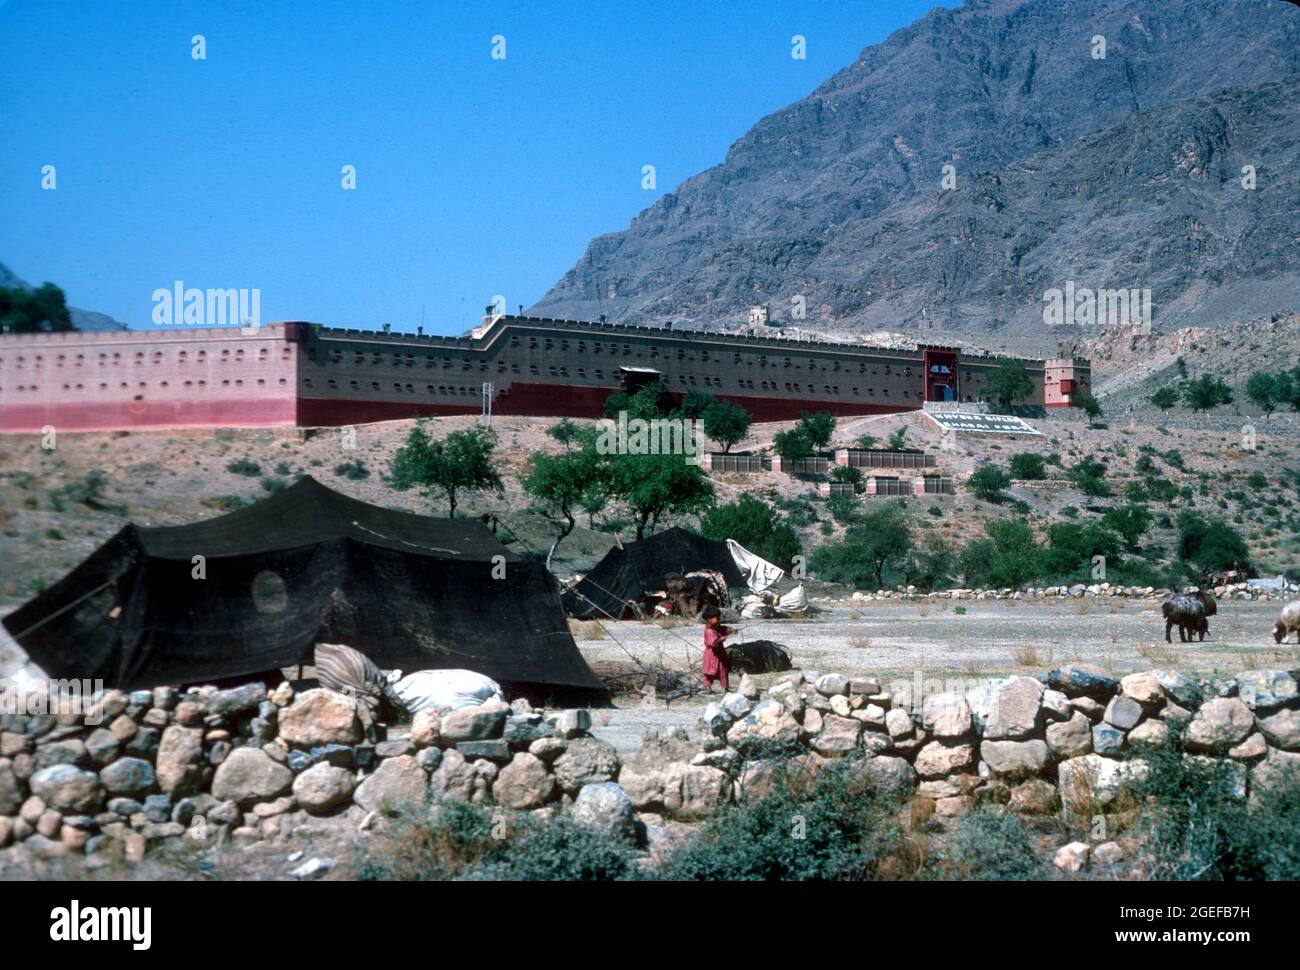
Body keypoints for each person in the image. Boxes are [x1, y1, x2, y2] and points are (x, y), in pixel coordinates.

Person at [701, 605, 733, 693]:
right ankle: (708, 688)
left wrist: (729, 630)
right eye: (716, 618)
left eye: (719, 618)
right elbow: (712, 643)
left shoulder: (716, 627)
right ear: (708, 619)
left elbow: (722, 629)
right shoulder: (709, 631)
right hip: (712, 655)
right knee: (710, 673)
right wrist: (721, 639)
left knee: (723, 670)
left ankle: (725, 688)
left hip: (720, 653)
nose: (718, 620)